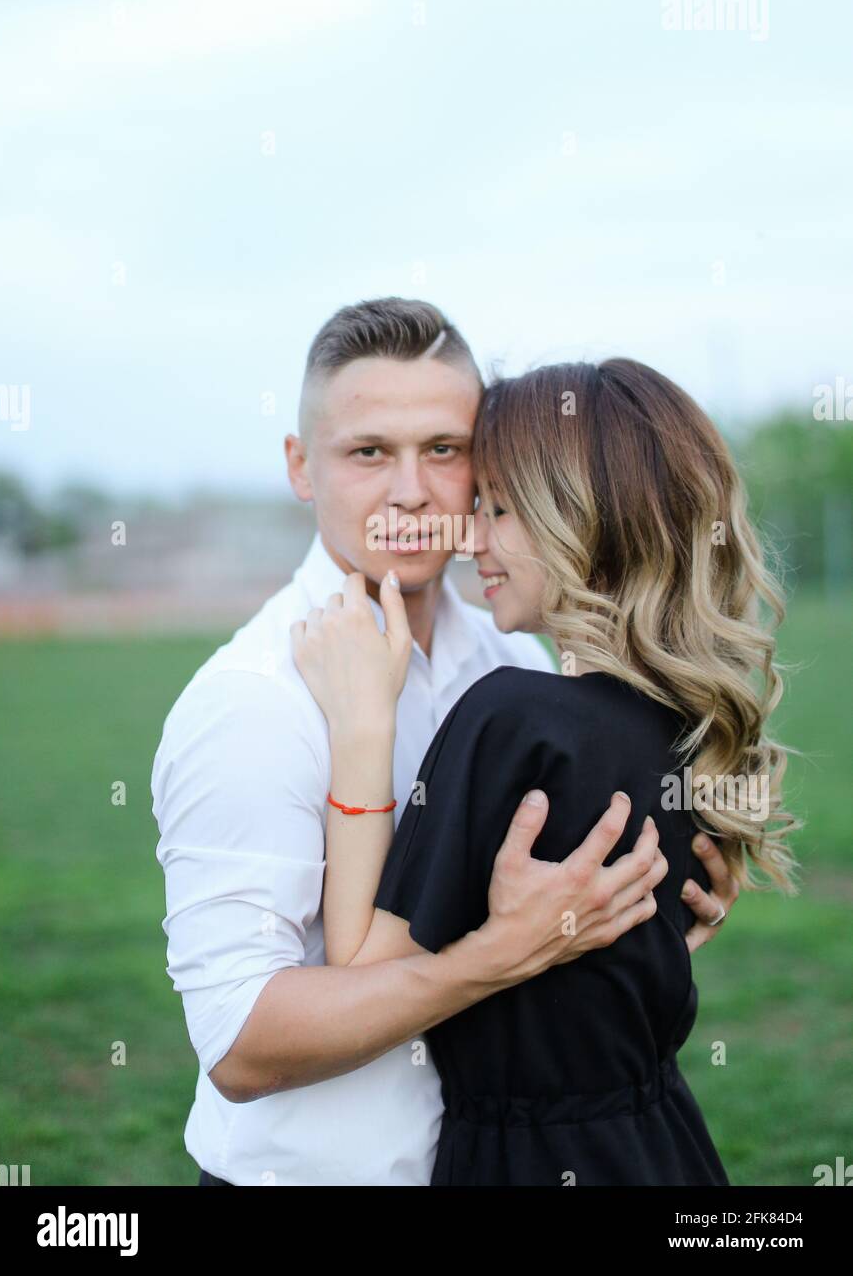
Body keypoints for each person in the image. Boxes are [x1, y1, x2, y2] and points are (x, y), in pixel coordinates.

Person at [152, 300, 737, 1186]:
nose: (411, 492)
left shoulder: (518, 655)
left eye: (443, 449)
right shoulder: (251, 703)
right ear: (301, 467)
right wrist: (498, 955)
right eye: (367, 453)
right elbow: (241, 1047)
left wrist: (664, 904)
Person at [291, 355, 799, 1186]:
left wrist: (362, 724)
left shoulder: (513, 720)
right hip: (665, 1145)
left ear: (582, 519)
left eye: (500, 510)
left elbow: (358, 976)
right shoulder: (685, 716)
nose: (471, 538)